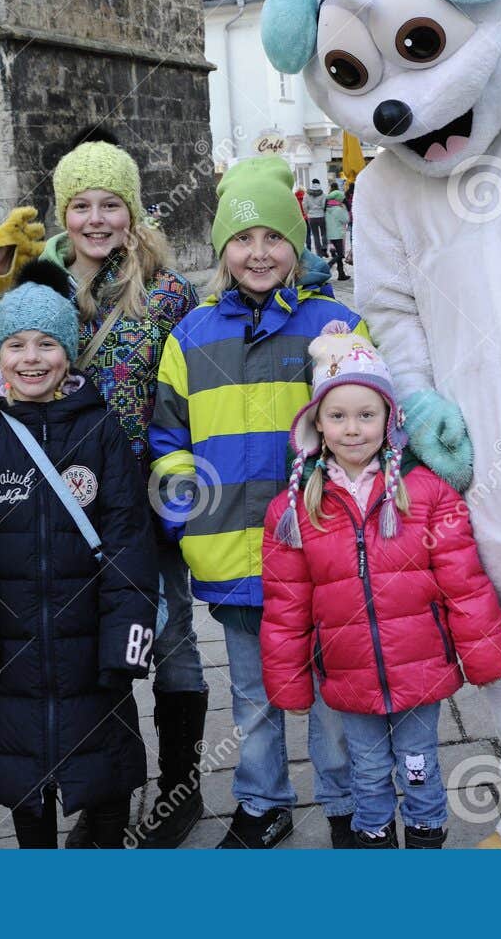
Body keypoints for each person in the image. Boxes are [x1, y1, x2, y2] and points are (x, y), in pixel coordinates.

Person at [150, 156, 363, 848]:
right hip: (235, 549)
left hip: (323, 547)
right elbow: (168, 436)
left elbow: (373, 421)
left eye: (274, 236)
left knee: (333, 688)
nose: (259, 251)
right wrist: (188, 520)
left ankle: (345, 801)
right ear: (222, 250)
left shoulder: (335, 325)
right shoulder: (192, 336)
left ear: (296, 245)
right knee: (254, 692)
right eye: (242, 238)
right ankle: (263, 799)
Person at [0, 260, 159, 847]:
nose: (32, 358)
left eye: (47, 344)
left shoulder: (101, 431)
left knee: (103, 773)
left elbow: (129, 539)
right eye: (16, 345)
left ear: (70, 351)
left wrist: (126, 640)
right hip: (9, 649)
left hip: (91, 649)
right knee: (23, 782)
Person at [260, 329, 501, 847]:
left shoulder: (425, 494)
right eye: (338, 416)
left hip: (420, 671)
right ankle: (373, 840)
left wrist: (485, 653)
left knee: (419, 766)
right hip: (349, 674)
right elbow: (286, 604)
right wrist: (288, 680)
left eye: (366, 414)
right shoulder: (295, 509)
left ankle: (425, 838)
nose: (352, 429)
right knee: (368, 772)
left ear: (389, 419)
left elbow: (462, 582)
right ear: (316, 424)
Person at [38, 142, 207, 848]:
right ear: (64, 211)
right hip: (67, 499)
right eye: (83, 204)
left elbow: (193, 389)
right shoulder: (41, 287)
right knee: (86, 645)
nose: (97, 218)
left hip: (147, 490)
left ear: (132, 212)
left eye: (112, 204)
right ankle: (104, 794)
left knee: (167, 631)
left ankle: (179, 784)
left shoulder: (166, 292)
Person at [325, 185, 352, 282]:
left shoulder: (327, 208)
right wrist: (344, 209)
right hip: (338, 234)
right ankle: (329, 265)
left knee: (339, 254)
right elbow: (346, 220)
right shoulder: (339, 209)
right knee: (340, 255)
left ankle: (341, 274)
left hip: (330, 235)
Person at [304, 179, 328, 255]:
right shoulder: (322, 194)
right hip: (321, 215)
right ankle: (324, 246)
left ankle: (319, 253)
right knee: (324, 233)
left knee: (315, 235)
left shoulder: (307, 194)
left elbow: (304, 205)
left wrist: (307, 213)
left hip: (311, 217)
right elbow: (324, 205)